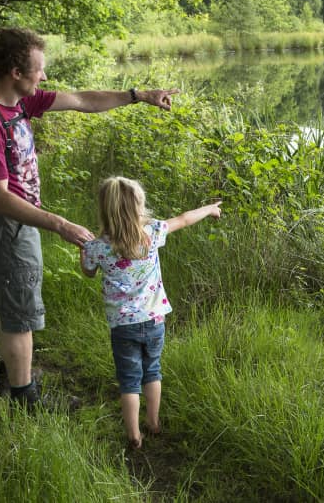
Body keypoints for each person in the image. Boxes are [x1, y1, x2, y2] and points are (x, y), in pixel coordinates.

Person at [0, 27, 179, 410]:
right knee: (20, 310)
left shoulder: (18, 101)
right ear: (15, 72)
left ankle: (13, 374)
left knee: (17, 301)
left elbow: (82, 100)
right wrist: (59, 224)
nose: (43, 76)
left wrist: (139, 96)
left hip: (18, 223)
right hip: (4, 224)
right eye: (38, 69)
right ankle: (25, 398)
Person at [79, 177, 222, 449]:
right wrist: (210, 209)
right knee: (152, 372)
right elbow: (184, 219)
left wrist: (83, 250)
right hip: (155, 320)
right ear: (138, 207)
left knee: (129, 381)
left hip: (123, 326)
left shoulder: (96, 246)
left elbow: (88, 272)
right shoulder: (153, 232)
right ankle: (153, 422)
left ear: (105, 209)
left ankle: (134, 435)